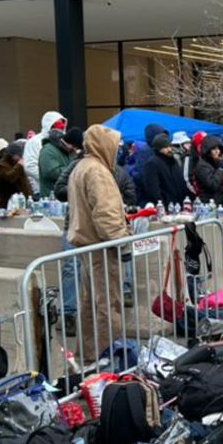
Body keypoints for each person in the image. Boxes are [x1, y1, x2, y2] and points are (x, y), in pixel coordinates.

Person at [68, 125, 130, 357]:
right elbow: (106, 214)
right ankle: (110, 357)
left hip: (88, 243)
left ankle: (88, 354)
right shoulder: (98, 172)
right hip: (101, 246)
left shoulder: (82, 167)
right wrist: (122, 241)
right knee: (108, 305)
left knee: (90, 304)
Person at [23, 111, 66, 196]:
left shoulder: (64, 141)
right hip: (42, 190)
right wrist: (46, 179)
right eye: (57, 124)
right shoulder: (34, 142)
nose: (61, 127)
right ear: (49, 124)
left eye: (62, 124)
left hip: (62, 189)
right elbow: (30, 166)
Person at [140, 132, 187, 207]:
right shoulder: (152, 164)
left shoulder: (173, 161)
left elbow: (181, 182)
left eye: (170, 146)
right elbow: (153, 189)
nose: (169, 149)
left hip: (179, 205)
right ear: (159, 148)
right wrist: (163, 204)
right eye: (165, 147)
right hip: (165, 206)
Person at [38, 127, 80, 198]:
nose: (73, 148)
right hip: (51, 196)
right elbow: (52, 172)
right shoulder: (48, 150)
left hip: (64, 194)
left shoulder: (66, 151)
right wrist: (75, 169)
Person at [0, 142, 33, 208]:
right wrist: (19, 166)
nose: (20, 157)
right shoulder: (0, 166)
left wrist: (30, 194)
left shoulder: (16, 163)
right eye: (19, 155)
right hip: (9, 202)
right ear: (12, 155)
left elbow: (24, 181)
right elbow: (10, 178)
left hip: (22, 200)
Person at [194, 136, 223, 205]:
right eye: (214, 149)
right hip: (208, 203)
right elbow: (213, 184)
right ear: (207, 151)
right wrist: (221, 169)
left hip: (220, 202)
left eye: (218, 148)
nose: (217, 151)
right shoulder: (202, 166)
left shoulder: (217, 162)